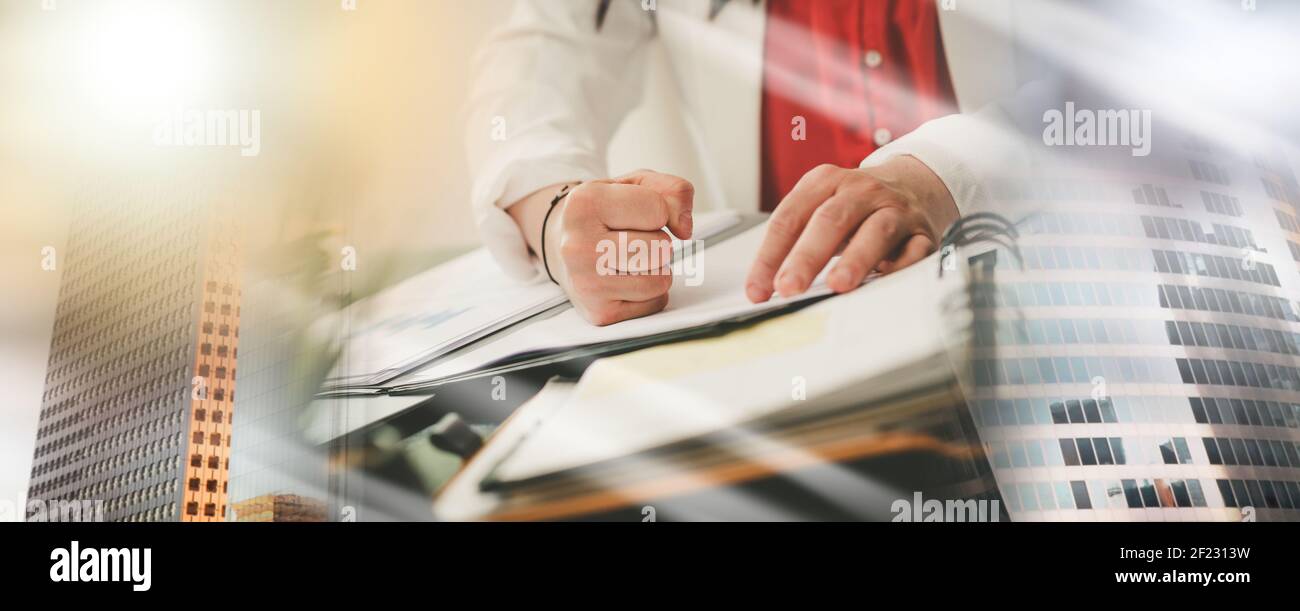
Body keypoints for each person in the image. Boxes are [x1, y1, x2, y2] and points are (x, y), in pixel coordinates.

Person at [466, 0, 1029, 325]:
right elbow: (541, 52)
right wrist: (555, 212)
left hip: (1048, 303)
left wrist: (939, 176)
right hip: (805, 342)